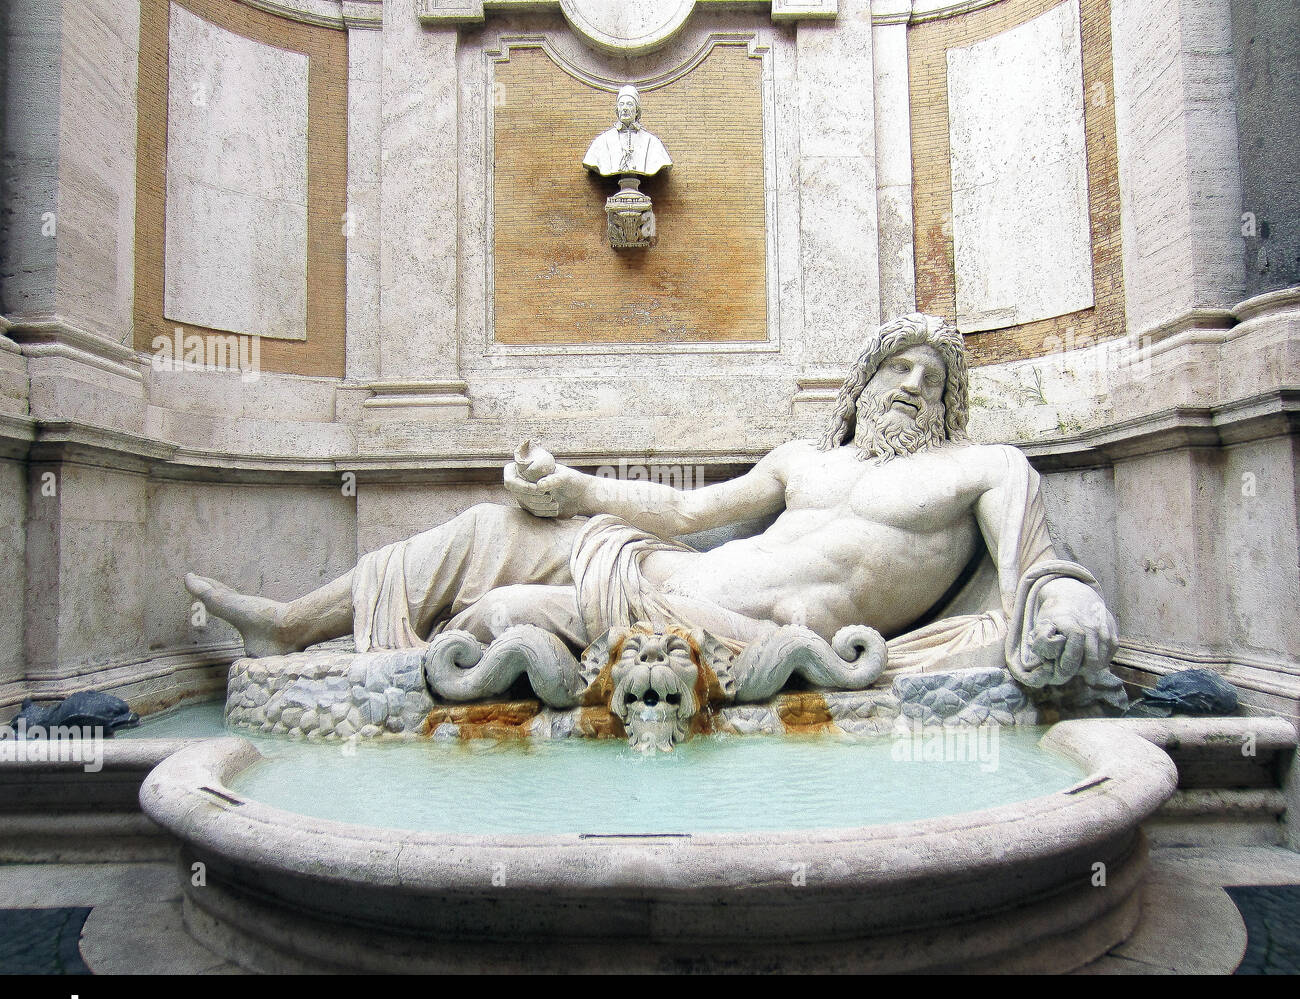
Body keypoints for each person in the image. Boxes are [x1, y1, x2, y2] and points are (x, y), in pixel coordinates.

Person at [186, 313, 1118, 689]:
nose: (911, 383)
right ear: (865, 382)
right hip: (679, 572)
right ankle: (291, 622)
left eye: (929, 373)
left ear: (950, 396)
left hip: (749, 631)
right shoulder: (805, 459)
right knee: (494, 527)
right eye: (895, 367)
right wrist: (573, 487)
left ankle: (451, 669)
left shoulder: (984, 468)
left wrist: (1070, 604)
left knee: (507, 611)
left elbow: (1040, 569)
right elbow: (681, 515)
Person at [582, 85, 673, 178]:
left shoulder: (652, 142)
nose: (625, 108)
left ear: (637, 110)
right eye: (621, 104)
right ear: (617, 110)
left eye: (629, 104)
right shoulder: (601, 141)